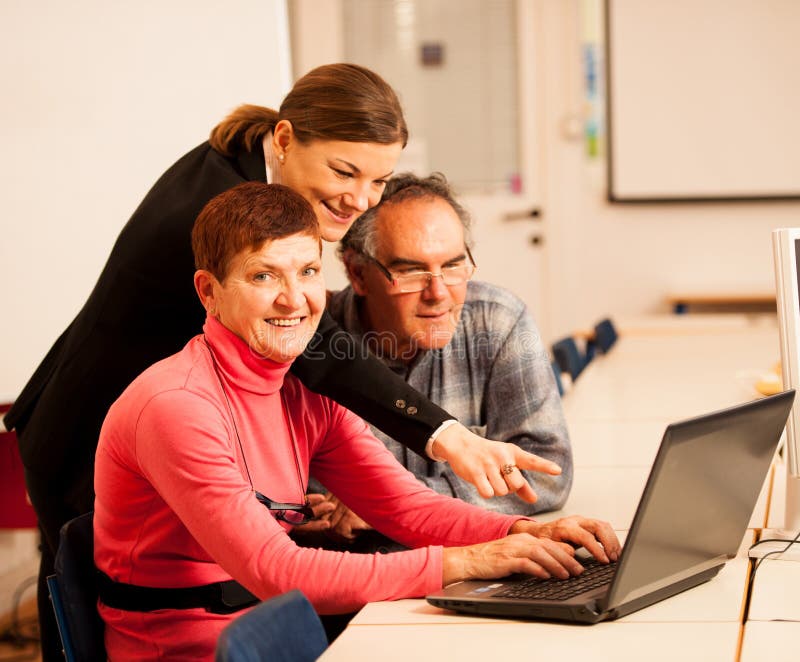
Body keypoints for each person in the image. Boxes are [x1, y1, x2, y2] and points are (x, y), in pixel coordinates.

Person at [2, 63, 559, 659]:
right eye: (345, 172)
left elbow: (399, 502)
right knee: (103, 614)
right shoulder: (216, 212)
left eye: (380, 180)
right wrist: (445, 437)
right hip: (88, 428)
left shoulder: (262, 202)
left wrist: (518, 532)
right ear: (287, 140)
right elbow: (316, 351)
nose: (362, 200)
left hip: (202, 489)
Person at [93, 182, 620, 660]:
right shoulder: (177, 406)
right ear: (209, 291)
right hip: (193, 648)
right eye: (263, 276)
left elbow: (405, 506)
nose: (293, 299)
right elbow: (280, 571)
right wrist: (470, 562)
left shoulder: (305, 384)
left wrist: (523, 532)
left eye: (307, 272)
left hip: (284, 630)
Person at [314, 172, 572, 548]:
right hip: (356, 570)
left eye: (453, 266)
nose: (438, 293)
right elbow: (310, 500)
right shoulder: (312, 343)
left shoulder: (498, 320)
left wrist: (392, 504)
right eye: (411, 271)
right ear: (357, 273)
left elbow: (547, 473)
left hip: (473, 555)